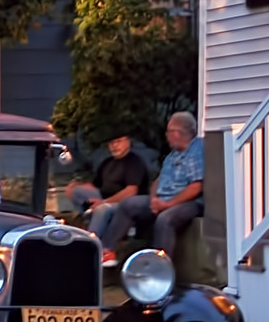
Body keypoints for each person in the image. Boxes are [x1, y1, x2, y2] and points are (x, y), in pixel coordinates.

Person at [99, 112, 205, 268]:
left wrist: (167, 205)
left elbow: (196, 187)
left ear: (177, 133)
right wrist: (154, 198)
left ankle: (160, 270)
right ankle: (108, 252)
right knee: (128, 204)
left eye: (168, 131)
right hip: (164, 199)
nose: (166, 136)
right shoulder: (172, 155)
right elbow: (158, 181)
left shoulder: (197, 150)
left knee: (165, 219)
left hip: (188, 201)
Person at [65, 135, 149, 243]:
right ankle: (93, 219)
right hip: (104, 197)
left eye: (118, 141)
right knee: (77, 192)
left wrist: (104, 202)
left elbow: (131, 191)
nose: (114, 145)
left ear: (128, 142)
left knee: (102, 208)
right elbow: (95, 186)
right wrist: (77, 185)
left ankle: (91, 242)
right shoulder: (107, 162)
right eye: (111, 143)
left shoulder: (134, 162)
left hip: (124, 204)